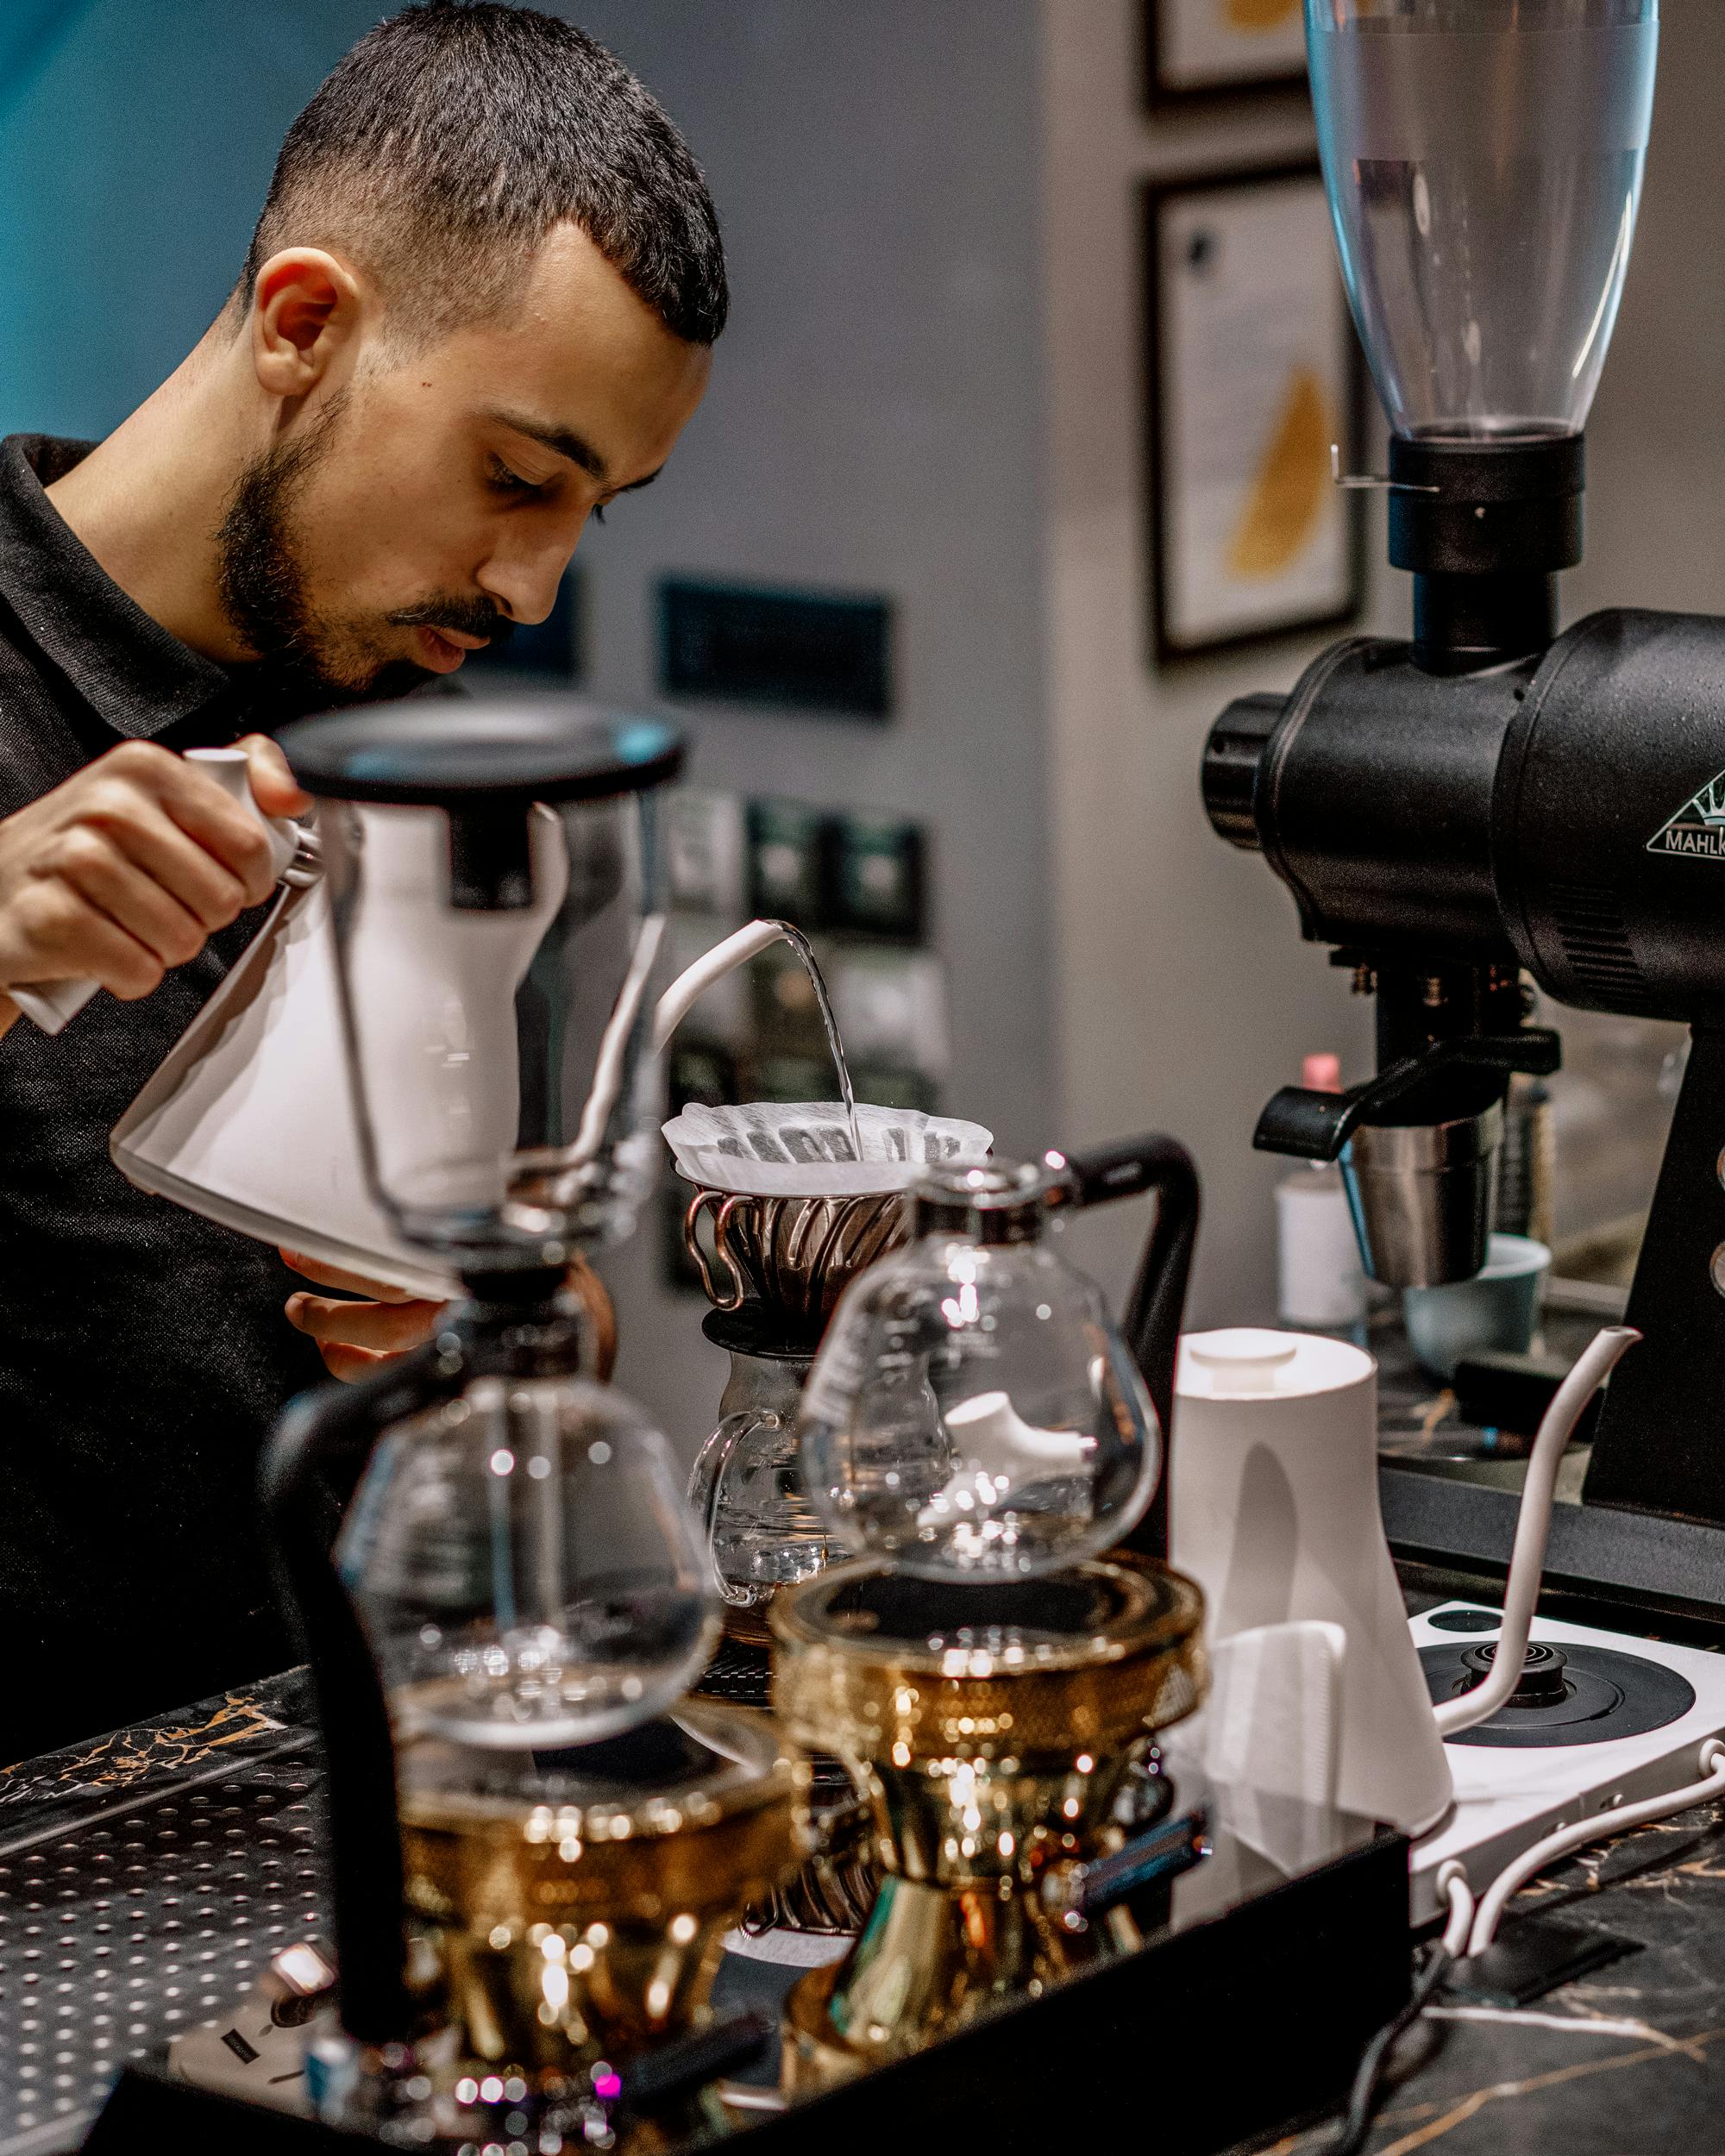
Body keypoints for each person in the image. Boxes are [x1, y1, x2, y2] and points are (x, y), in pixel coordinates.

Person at [0, 0, 725, 1758]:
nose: (534, 587)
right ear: (305, 321)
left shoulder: (428, 770)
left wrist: (504, 1323)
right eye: (512, 477)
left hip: (307, 1792)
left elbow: (533, 1331)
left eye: (591, 509)